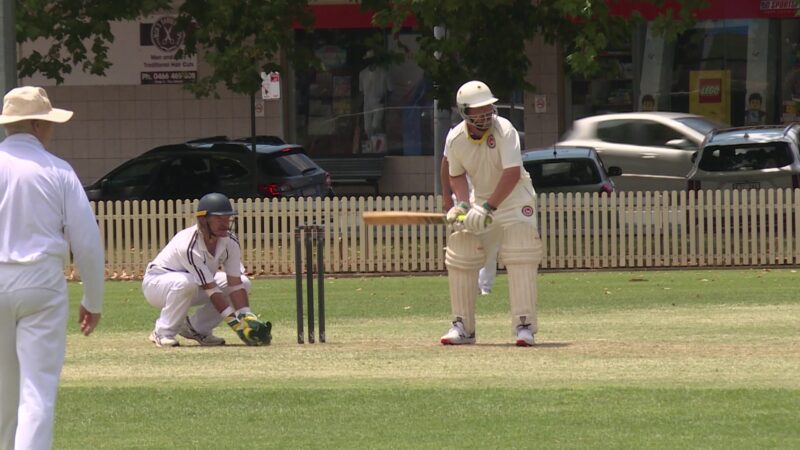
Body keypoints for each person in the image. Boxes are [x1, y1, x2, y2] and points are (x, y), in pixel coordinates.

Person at [0, 86, 105, 449]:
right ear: (35, 125)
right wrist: (93, 300)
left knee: (3, 391)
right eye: (47, 123)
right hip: (41, 282)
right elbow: (86, 242)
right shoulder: (58, 170)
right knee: (37, 391)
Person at [441, 80, 543, 347]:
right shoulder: (455, 139)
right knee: (462, 245)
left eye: (488, 107)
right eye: (479, 109)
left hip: (516, 199)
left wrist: (488, 207)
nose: (486, 113)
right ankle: (462, 326)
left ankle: (524, 325)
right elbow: (455, 174)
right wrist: (463, 205)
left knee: (521, 247)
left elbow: (512, 173)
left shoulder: (505, 130)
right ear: (465, 111)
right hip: (483, 201)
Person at [142, 192, 271, 347]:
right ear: (203, 220)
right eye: (219, 218)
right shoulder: (188, 244)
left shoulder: (230, 241)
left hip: (195, 283)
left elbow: (235, 284)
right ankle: (162, 333)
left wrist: (246, 316)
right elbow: (211, 289)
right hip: (157, 285)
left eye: (227, 218)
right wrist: (236, 325)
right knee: (186, 283)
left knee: (244, 282)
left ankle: (196, 328)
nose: (225, 223)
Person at [441, 150, 498, 295]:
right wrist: (446, 195)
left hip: (486, 195)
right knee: (464, 240)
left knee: (490, 242)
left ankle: (484, 286)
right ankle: (467, 284)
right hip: (462, 197)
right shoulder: (454, 139)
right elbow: (446, 163)